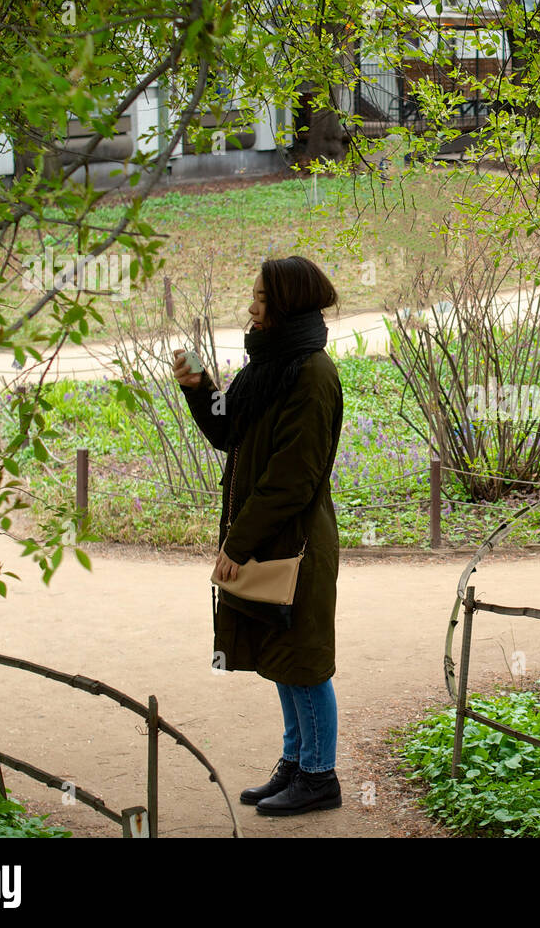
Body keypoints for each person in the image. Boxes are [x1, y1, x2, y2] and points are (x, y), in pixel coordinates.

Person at [172, 255, 344, 816]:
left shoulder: (313, 374)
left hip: (295, 539)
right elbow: (229, 428)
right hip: (272, 535)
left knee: (304, 659)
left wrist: (237, 543)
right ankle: (296, 764)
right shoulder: (272, 362)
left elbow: (292, 478)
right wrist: (200, 388)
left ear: (286, 304)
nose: (252, 308)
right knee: (279, 653)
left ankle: (320, 777)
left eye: (262, 300)